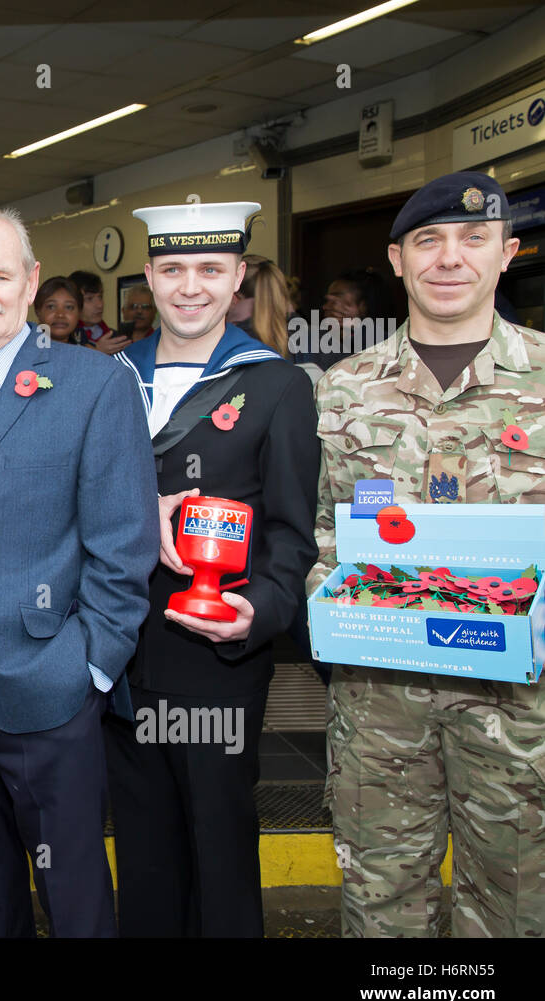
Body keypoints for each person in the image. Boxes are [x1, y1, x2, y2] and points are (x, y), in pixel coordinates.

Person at [0, 209, 158, 937]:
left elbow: (124, 542)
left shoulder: (92, 385)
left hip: (49, 687)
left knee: (73, 894)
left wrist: (90, 667)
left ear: (31, 281)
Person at [310, 170, 545, 938]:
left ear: (507, 253)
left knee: (518, 905)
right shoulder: (344, 391)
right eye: (428, 242)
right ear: (399, 260)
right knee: (382, 902)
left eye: (473, 239)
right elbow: (319, 534)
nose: (451, 258)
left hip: (521, 712)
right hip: (381, 702)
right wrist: (331, 601)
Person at [105, 201, 318, 937]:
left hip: (214, 657)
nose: (189, 286)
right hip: (115, 653)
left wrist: (260, 609)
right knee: (142, 850)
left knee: (220, 848)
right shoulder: (108, 380)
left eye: (209, 270)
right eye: (171, 270)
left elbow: (293, 534)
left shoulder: (275, 386)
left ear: (238, 283)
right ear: (149, 282)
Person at [34, 276, 90, 346]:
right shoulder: (22, 350)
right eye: (51, 307)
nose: (60, 314)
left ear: (79, 312)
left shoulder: (86, 353)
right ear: (38, 311)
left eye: (69, 307)